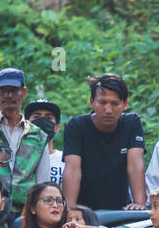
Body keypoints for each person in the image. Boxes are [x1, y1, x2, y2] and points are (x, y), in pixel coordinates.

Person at [59, 74, 147, 218]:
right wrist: (69, 209)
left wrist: (139, 204)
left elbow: (135, 165)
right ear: (92, 102)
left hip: (121, 210)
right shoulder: (76, 126)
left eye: (114, 103)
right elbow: (73, 169)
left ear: (125, 104)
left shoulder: (132, 123)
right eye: (102, 102)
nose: (108, 109)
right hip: (84, 211)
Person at [0, 68, 51, 213]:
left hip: (26, 213)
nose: (8, 95)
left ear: (23, 92)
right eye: (3, 90)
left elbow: (43, 184)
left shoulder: (39, 136)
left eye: (13, 90)